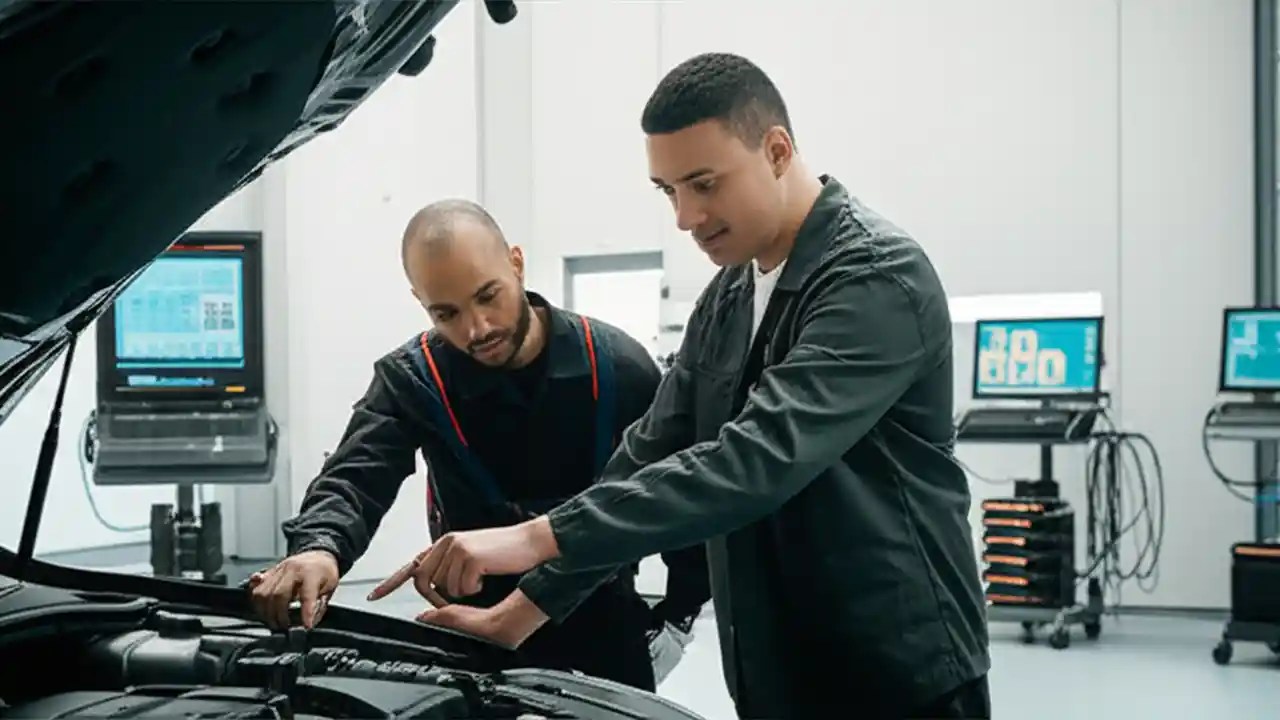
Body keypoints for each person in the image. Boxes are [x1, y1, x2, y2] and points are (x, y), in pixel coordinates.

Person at [369, 53, 993, 719]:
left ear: (777, 150)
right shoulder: (728, 297)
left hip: (897, 674)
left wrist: (528, 539)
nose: (686, 217)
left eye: (703, 184)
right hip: (777, 668)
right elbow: (648, 453)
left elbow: (752, 461)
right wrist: (522, 613)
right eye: (668, 191)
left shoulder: (875, 279)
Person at [248, 199, 711, 691]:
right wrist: (321, 548)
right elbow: (357, 474)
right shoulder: (413, 379)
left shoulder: (619, 366)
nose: (477, 328)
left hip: (603, 619)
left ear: (516, 262)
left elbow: (675, 495)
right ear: (419, 300)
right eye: (446, 312)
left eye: (488, 296)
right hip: (471, 629)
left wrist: (679, 616)